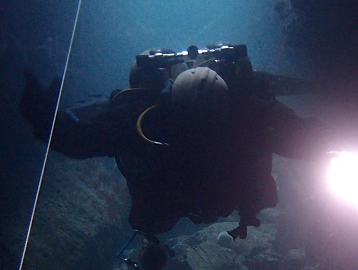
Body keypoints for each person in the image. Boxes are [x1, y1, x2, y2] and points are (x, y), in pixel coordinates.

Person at [20, 44, 333, 255]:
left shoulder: (146, 122)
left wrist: (44, 120)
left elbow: (82, 139)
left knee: (152, 221)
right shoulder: (245, 116)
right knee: (154, 219)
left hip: (173, 202)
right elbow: (303, 138)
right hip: (218, 198)